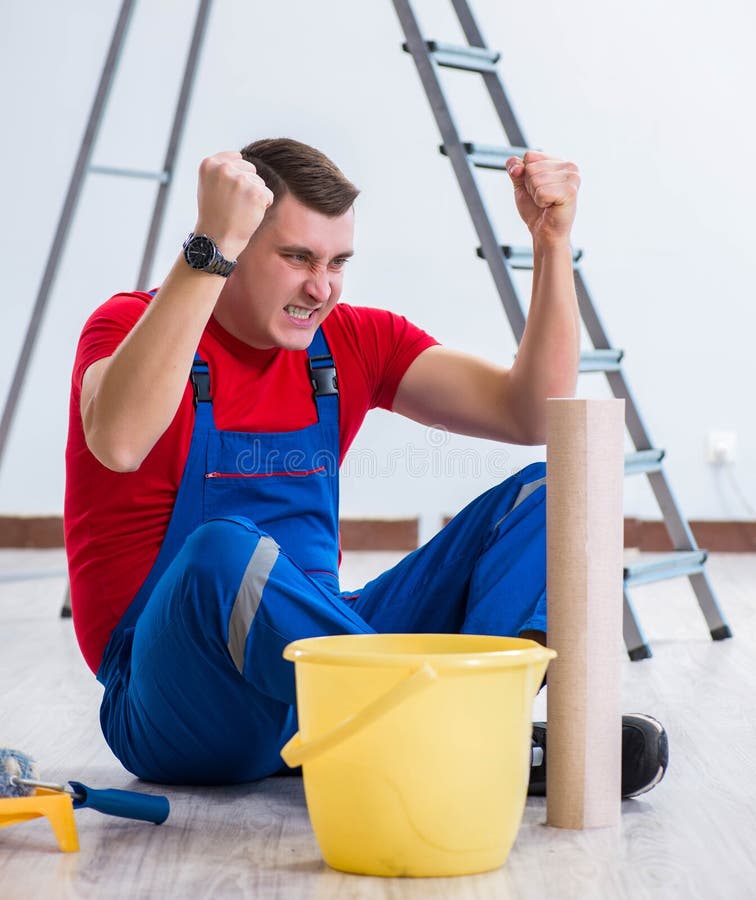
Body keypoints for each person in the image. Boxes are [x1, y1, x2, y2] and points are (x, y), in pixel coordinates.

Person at [64, 138, 667, 795]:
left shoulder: (349, 342)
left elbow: (532, 415)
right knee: (221, 554)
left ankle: (465, 728)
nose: (320, 287)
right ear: (236, 247)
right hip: (180, 700)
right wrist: (208, 241)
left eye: (337, 261)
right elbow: (118, 440)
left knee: (560, 493)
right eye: (296, 257)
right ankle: (461, 739)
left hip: (323, 676)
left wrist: (551, 244)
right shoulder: (130, 325)